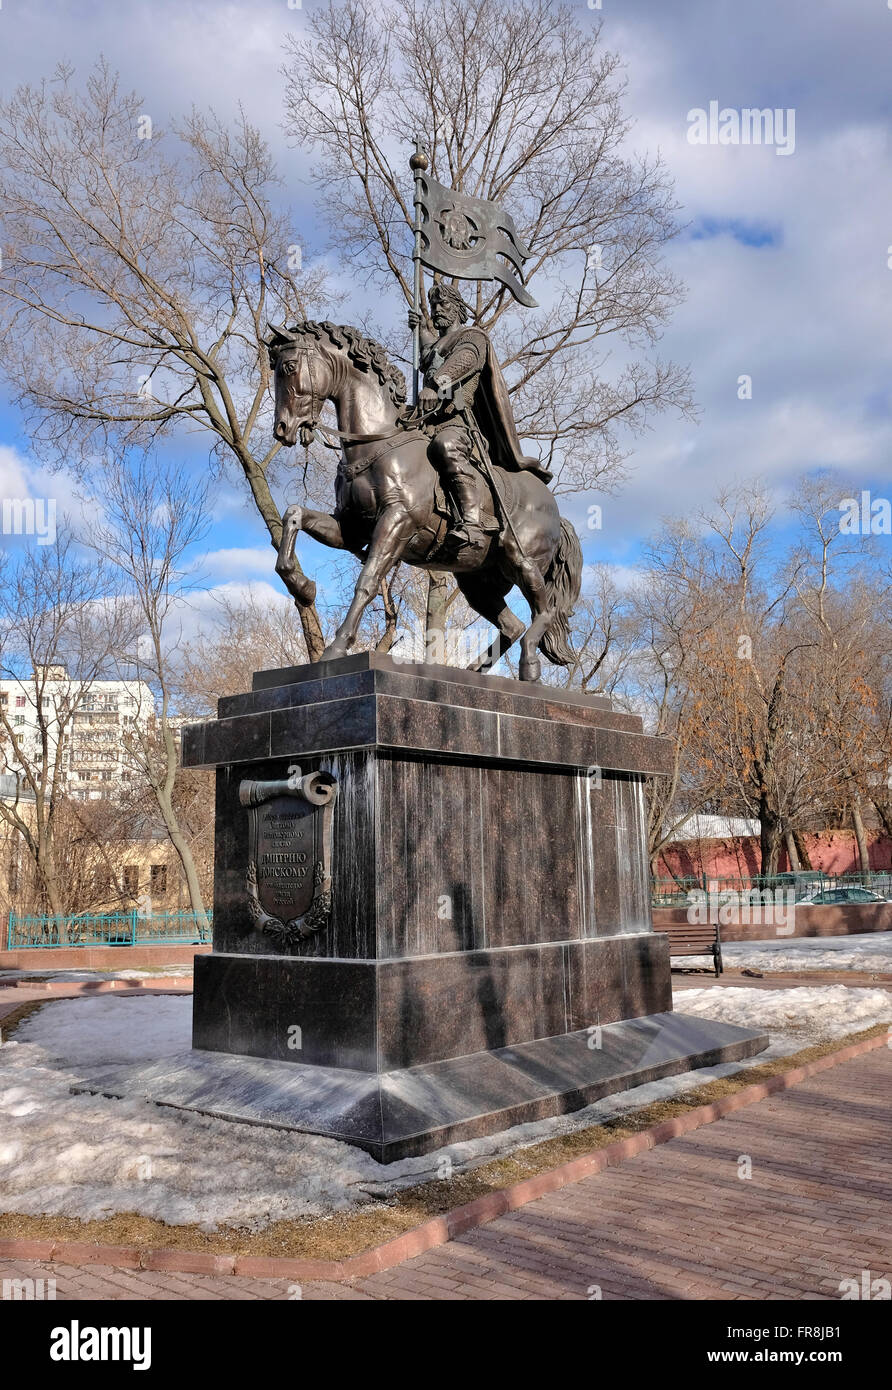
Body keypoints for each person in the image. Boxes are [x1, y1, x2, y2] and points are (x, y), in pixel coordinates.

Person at [408, 283, 550, 554]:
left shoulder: (473, 337)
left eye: (444, 305)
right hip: (426, 421)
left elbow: (464, 361)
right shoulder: (439, 342)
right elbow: (429, 354)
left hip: (458, 425)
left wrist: (435, 385)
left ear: (458, 309)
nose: (438, 309)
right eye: (434, 305)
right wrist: (421, 330)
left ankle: (472, 522)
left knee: (445, 447)